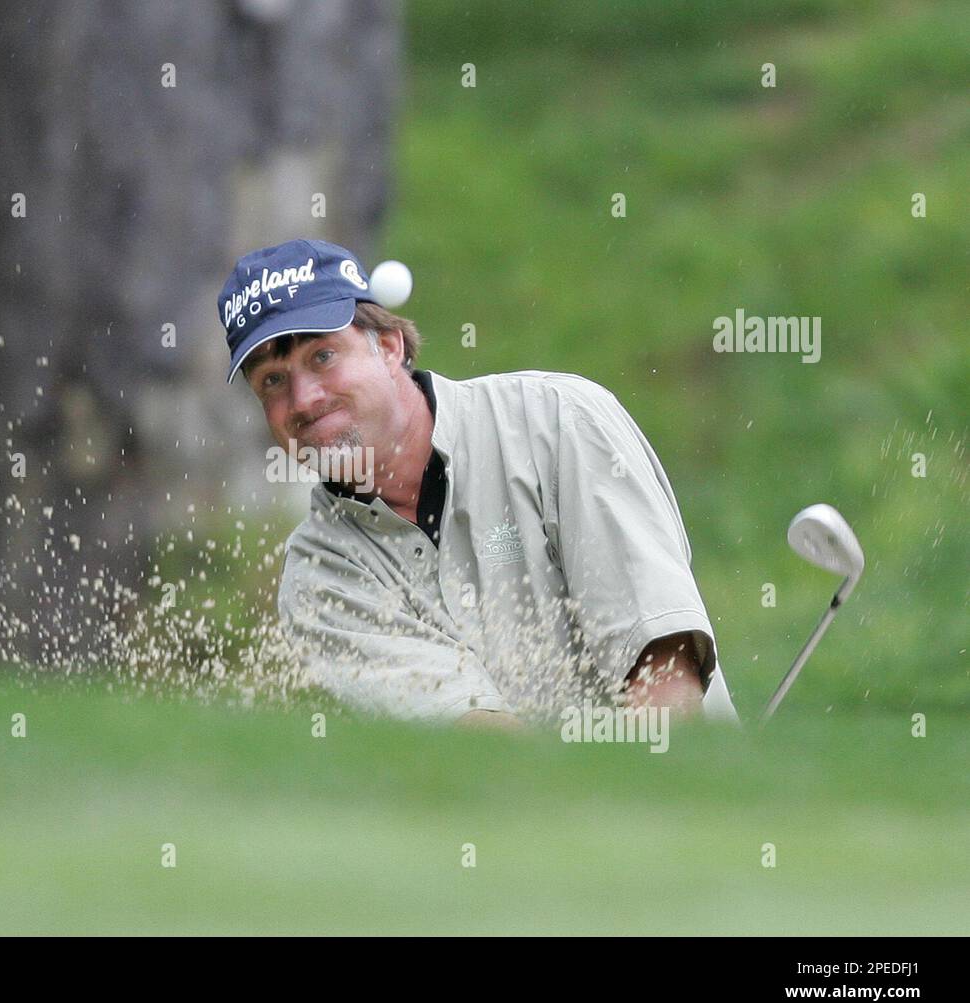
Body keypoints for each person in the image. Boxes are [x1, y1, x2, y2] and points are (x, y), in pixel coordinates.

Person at [218, 238, 739, 728]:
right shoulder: (318, 576)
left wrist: (641, 812)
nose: (304, 399)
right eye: (273, 381)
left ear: (390, 347)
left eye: (323, 357)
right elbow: (477, 737)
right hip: (520, 821)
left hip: (692, 811)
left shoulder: (560, 420)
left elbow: (664, 666)